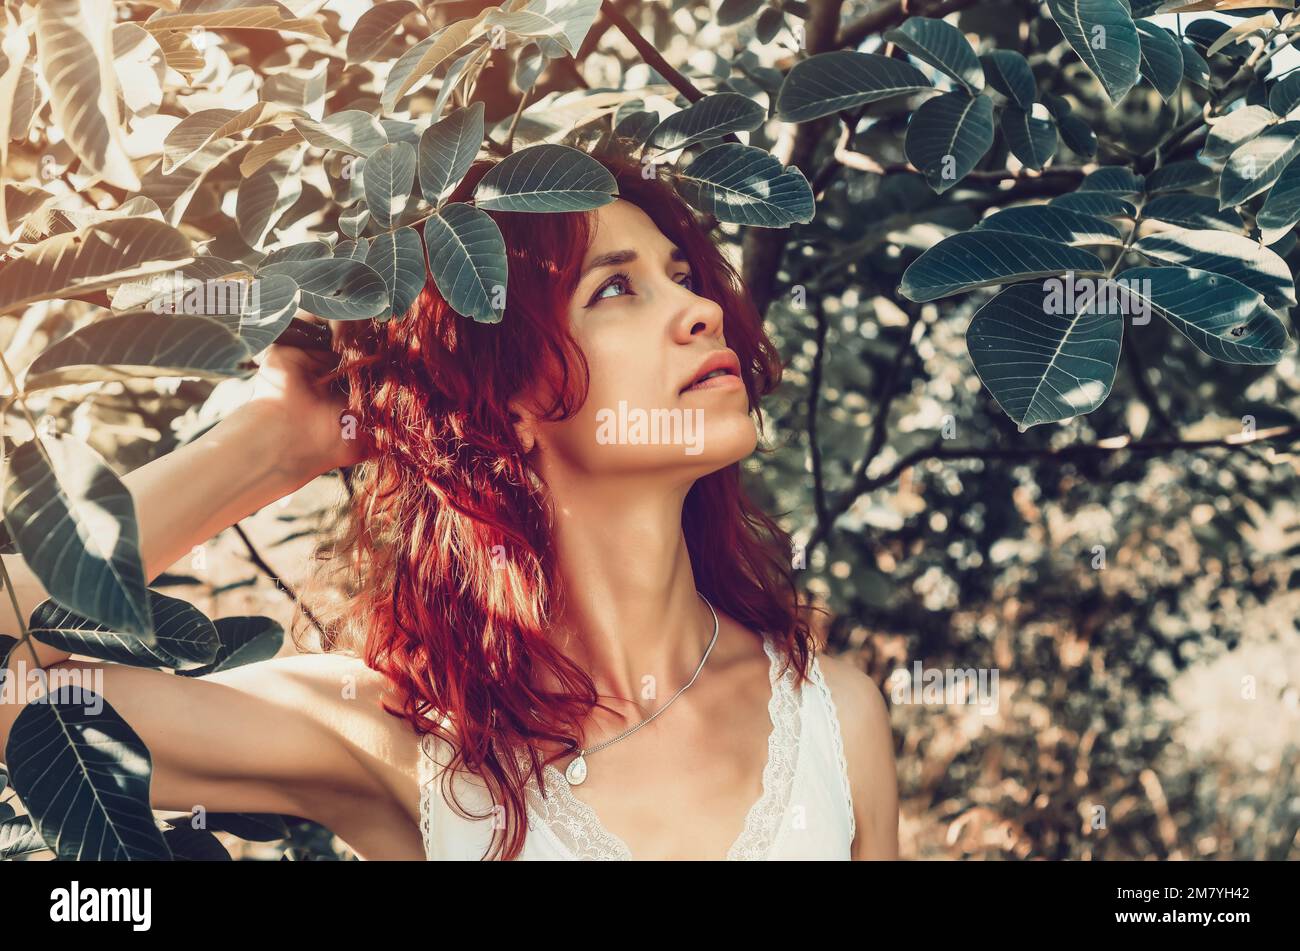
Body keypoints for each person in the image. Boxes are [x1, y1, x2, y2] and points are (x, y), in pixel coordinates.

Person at [0, 147, 898, 861]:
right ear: (507, 401)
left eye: (681, 273)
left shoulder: (832, 717)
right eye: (617, 287)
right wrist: (278, 439)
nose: (700, 307)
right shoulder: (406, 734)